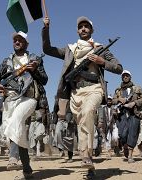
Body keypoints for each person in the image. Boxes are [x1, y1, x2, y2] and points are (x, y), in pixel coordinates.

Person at [42, 16, 123, 177]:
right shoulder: (70, 49)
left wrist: (101, 61)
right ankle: (89, 164)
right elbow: (47, 50)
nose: (83, 29)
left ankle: (85, 154)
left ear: (91, 30)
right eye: (81, 27)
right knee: (82, 125)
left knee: (87, 114)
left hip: (94, 89)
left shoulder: (100, 48)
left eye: (87, 26)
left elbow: (119, 68)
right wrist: (46, 29)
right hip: (75, 93)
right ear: (77, 30)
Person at [0, 31, 48, 179]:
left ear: (26, 43)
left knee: (16, 120)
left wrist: (34, 70)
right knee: (18, 133)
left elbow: (44, 79)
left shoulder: (34, 59)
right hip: (10, 99)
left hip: (29, 98)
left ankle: (13, 157)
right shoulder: (7, 61)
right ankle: (27, 170)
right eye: (15, 40)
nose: (17, 42)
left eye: (20, 40)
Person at [112, 70, 142, 162]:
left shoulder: (137, 88)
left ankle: (130, 155)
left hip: (134, 114)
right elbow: (113, 101)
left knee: (133, 133)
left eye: (127, 76)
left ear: (130, 77)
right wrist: (119, 99)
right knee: (122, 135)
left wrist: (134, 103)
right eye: (123, 76)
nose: (125, 77)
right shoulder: (118, 90)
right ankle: (125, 146)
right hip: (122, 114)